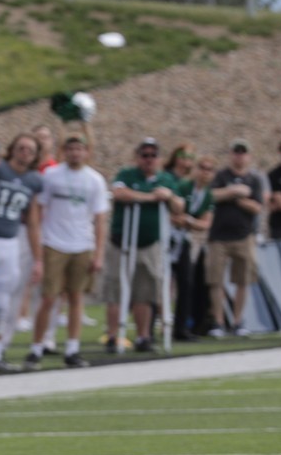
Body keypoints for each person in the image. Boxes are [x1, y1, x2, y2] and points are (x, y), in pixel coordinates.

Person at [25, 134, 109, 370]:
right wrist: (38, 244)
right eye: (70, 149)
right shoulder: (51, 176)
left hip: (82, 244)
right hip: (54, 242)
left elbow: (100, 220)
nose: (75, 153)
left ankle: (72, 348)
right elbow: (38, 208)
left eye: (79, 149)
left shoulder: (95, 180)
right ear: (64, 151)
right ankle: (36, 347)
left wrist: (99, 253)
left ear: (87, 152)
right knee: (49, 297)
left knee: (76, 298)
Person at [107, 137, 183, 353]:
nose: (148, 159)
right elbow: (118, 193)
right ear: (137, 157)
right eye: (144, 155)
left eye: (153, 155)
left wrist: (168, 196)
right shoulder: (127, 175)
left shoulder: (166, 179)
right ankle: (113, 335)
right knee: (117, 289)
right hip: (122, 241)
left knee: (145, 290)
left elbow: (179, 206)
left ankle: (143, 336)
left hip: (150, 243)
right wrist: (149, 197)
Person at [0, 133, 43, 372]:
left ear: (36, 155)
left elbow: (34, 221)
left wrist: (38, 259)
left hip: (10, 241)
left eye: (30, 149)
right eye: (21, 147)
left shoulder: (34, 180)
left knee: (2, 302)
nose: (25, 152)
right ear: (12, 148)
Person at [204, 139, 266, 337]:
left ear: (248, 156)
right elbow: (210, 196)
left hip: (243, 235)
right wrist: (233, 191)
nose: (239, 156)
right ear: (231, 154)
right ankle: (218, 321)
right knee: (216, 280)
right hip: (219, 236)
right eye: (236, 152)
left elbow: (257, 207)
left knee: (243, 280)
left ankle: (238, 321)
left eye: (242, 153)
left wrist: (237, 199)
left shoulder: (254, 179)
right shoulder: (221, 176)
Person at [169, 154, 216, 340]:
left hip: (186, 240)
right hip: (172, 238)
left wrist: (188, 221)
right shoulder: (183, 187)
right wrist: (191, 222)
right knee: (164, 282)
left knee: (187, 283)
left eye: (209, 169)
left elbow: (206, 223)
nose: (204, 173)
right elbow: (174, 216)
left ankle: (181, 327)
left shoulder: (208, 195)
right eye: (202, 168)